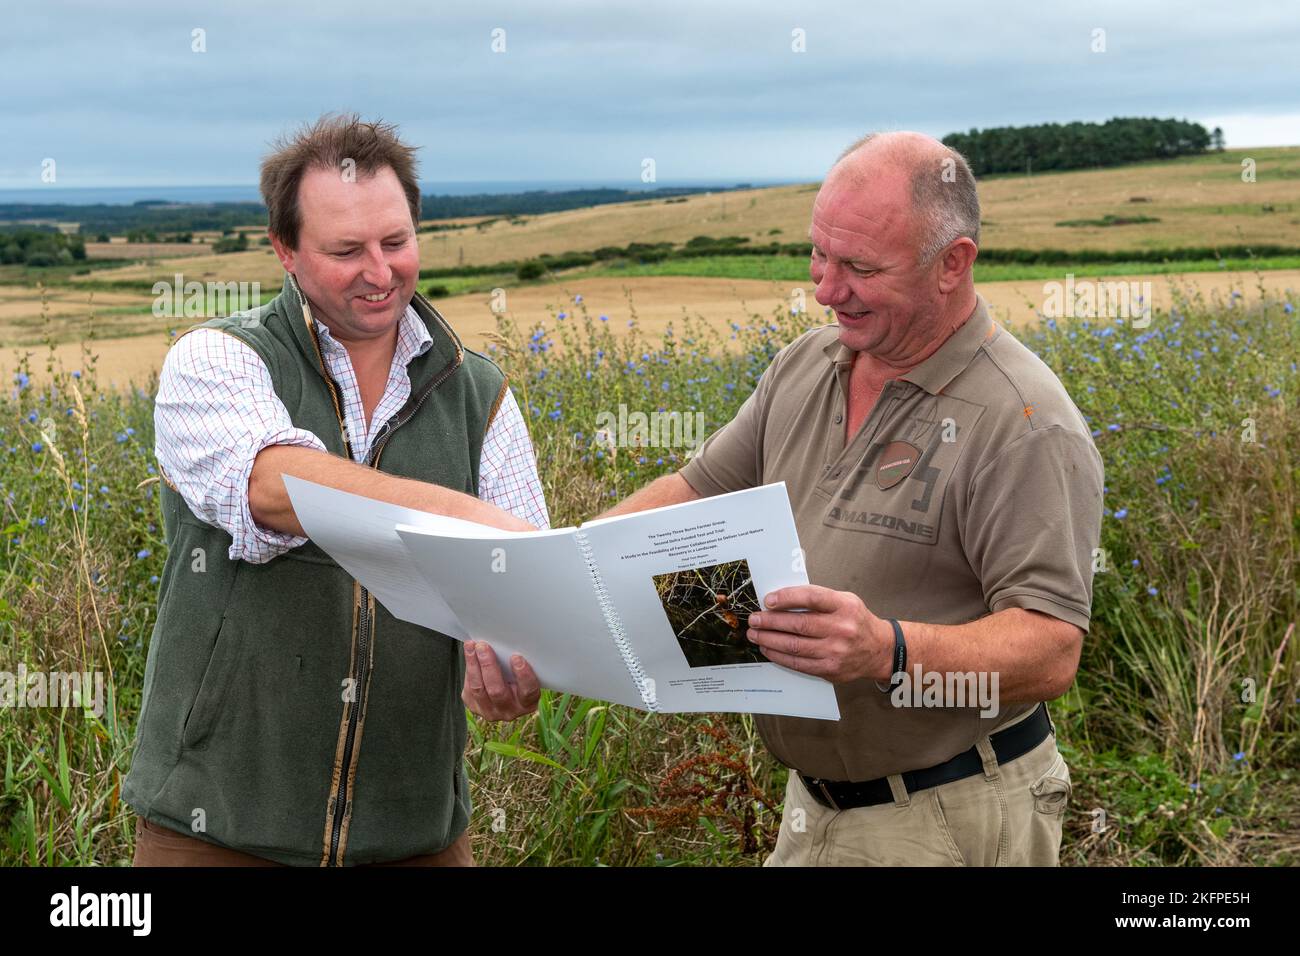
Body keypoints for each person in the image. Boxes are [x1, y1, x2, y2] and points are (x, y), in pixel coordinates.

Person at [601, 131, 1103, 866]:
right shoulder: (806, 364)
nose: (826, 289)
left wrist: (886, 651)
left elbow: (1052, 648)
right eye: (820, 256)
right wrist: (563, 571)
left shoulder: (1026, 423)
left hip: (950, 814)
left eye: (860, 268)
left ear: (951, 265)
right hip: (813, 809)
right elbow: (690, 493)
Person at [124, 114, 546, 867]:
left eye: (396, 242)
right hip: (217, 831)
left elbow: (522, 594)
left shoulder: (480, 395)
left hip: (414, 837)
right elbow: (275, 486)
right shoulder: (215, 361)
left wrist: (516, 669)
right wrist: (465, 516)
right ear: (284, 250)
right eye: (346, 250)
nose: (380, 272)